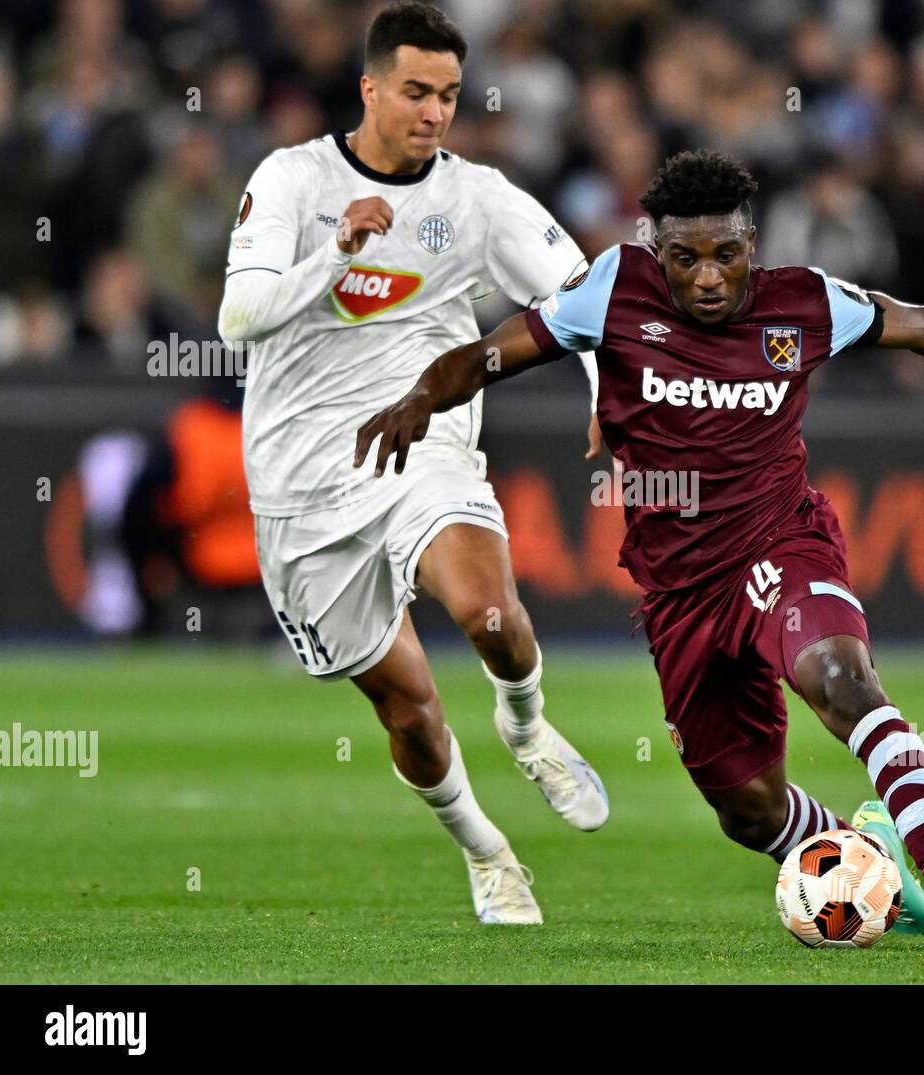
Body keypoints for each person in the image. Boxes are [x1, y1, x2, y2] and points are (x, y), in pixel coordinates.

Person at [354, 149, 924, 948]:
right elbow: (493, 352)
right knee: (750, 811)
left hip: (779, 542)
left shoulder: (806, 302)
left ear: (752, 245)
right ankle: (871, 858)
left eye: (727, 255)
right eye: (686, 259)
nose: (710, 278)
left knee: (840, 677)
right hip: (681, 595)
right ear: (659, 253)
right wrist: (421, 395)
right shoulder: (613, 289)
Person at [217, 2, 609, 926]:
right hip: (301, 485)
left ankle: (527, 724)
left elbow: (584, 290)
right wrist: (336, 250)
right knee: (412, 716)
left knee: (491, 613)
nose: (435, 112)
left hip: (416, 439)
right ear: (370, 88)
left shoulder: (475, 199)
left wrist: (608, 398)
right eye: (416, 92)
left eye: (449, 95)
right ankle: (487, 848)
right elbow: (240, 317)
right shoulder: (291, 179)